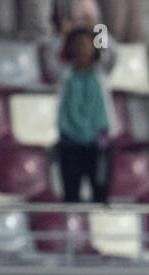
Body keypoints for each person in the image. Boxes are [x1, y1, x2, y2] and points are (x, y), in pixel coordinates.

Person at [56, 26, 116, 203]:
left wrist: (99, 28)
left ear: (94, 47)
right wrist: (65, 33)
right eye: (77, 45)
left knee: (101, 192)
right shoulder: (64, 74)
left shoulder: (102, 73)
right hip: (70, 142)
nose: (82, 49)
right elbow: (49, 54)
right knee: (71, 195)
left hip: (98, 143)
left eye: (86, 45)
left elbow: (113, 52)